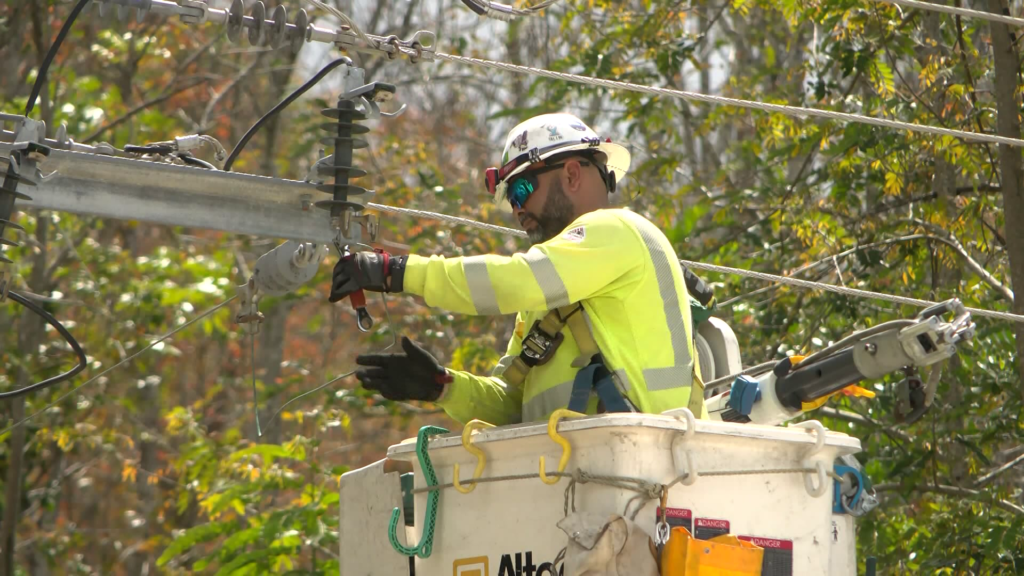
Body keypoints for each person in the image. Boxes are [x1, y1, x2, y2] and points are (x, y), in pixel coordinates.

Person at [329, 113, 706, 425]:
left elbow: (514, 279)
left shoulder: (620, 232)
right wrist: (443, 387)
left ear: (572, 174)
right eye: (511, 200)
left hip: (645, 471)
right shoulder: (549, 296)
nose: (518, 210)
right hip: (578, 482)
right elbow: (513, 404)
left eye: (522, 190)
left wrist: (397, 272)